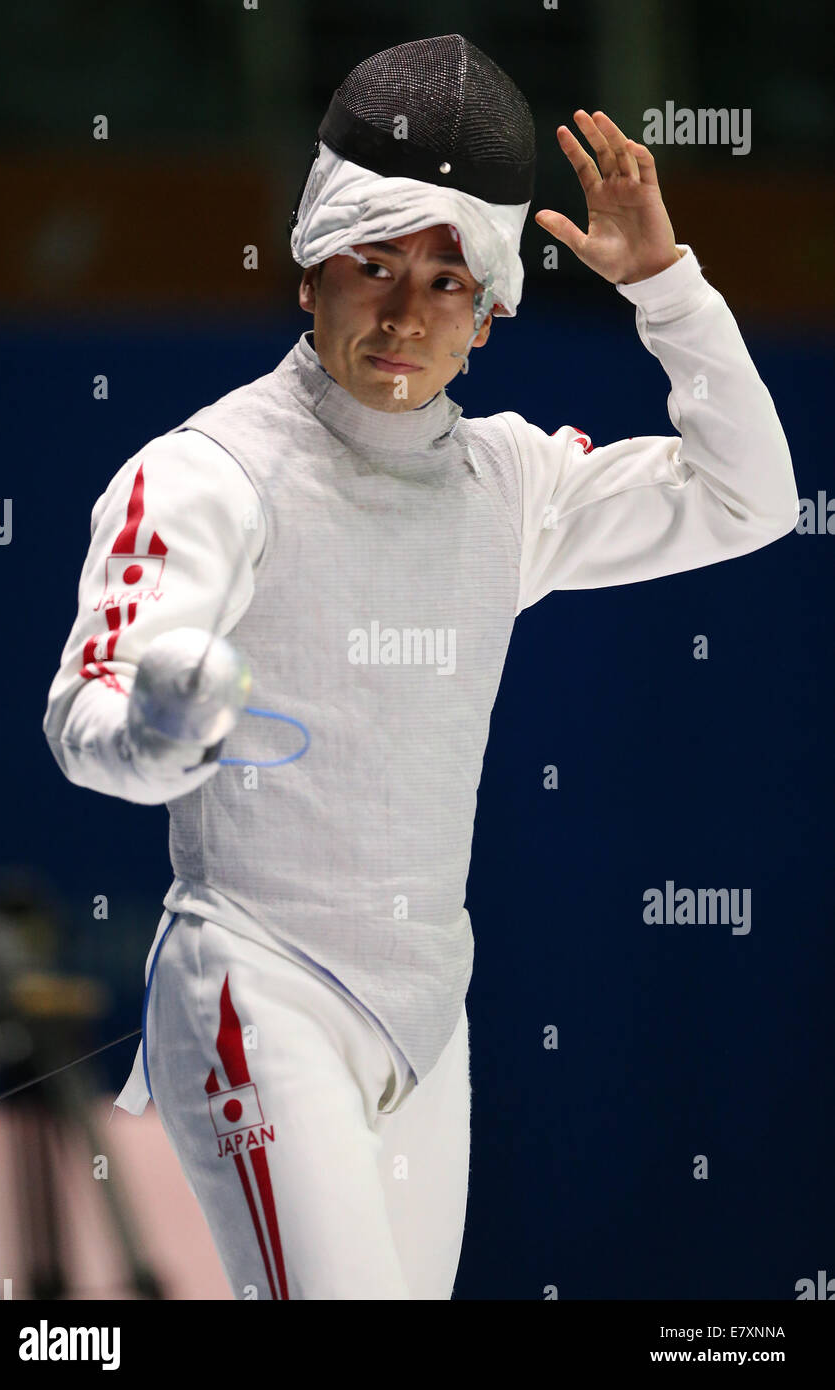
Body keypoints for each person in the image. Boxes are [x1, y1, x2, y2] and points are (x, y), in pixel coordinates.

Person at [42, 35, 799, 1300]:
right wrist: (164, 720)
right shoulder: (207, 474)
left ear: (491, 312)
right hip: (252, 984)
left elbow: (750, 499)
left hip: (422, 1017)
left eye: (447, 281)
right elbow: (88, 719)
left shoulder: (508, 484)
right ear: (307, 274)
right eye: (373, 265)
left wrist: (665, 285)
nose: (403, 314)